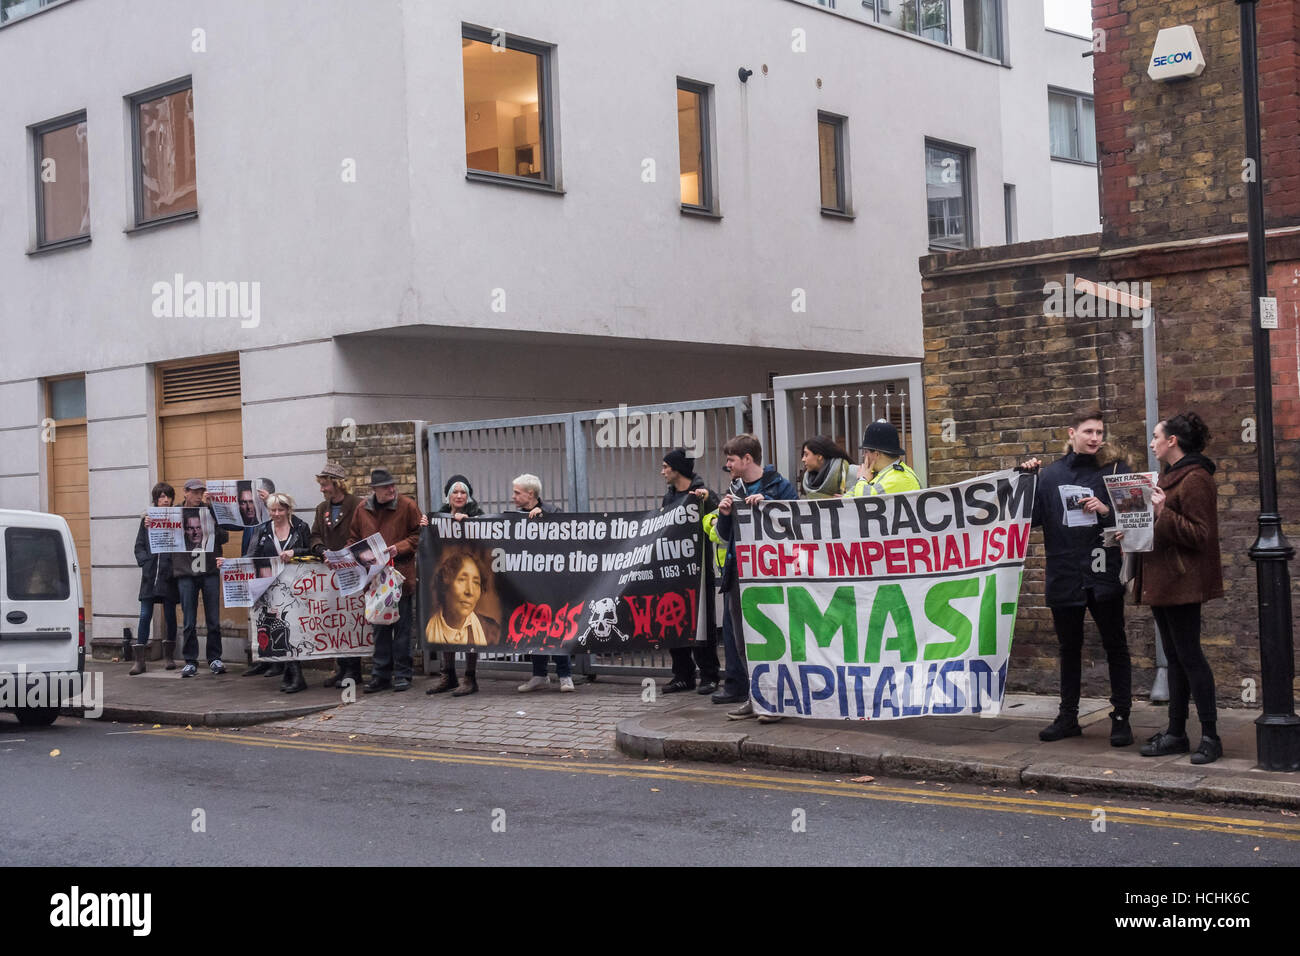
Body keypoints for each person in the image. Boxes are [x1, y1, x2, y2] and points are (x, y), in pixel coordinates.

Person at [1019, 409, 1134, 746]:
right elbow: (1031, 519)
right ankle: (1068, 716)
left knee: (1116, 646)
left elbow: (1135, 519)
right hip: (1065, 573)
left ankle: (1122, 716)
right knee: (1069, 648)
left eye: (1099, 432)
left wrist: (1106, 511)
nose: (1095, 438)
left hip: (1103, 572)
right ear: (1071, 433)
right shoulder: (1050, 475)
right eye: (1088, 431)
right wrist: (1027, 478)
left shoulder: (1115, 472)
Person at [1130, 412, 1225, 765]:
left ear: (1172, 441)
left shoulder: (1196, 479)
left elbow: (1201, 535)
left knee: (1190, 656)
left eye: (1156, 436)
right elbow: (1164, 527)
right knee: (1175, 658)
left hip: (1182, 581)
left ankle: (1211, 737)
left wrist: (1161, 512)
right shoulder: (1170, 477)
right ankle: (1175, 732)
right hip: (1163, 579)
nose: (1152, 442)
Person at [712, 434, 797, 722]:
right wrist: (724, 514)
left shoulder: (779, 485)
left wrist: (770, 503)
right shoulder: (733, 489)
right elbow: (725, 537)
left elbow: (798, 523)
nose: (728, 465)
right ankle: (756, 697)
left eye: (731, 460)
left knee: (775, 638)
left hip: (773, 576)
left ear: (747, 459)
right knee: (744, 642)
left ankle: (780, 701)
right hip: (739, 575)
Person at [347, 468, 421, 693]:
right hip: (375, 579)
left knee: (402, 628)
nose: (392, 489)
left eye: (392, 485)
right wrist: (357, 553)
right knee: (379, 628)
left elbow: (419, 535)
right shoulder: (362, 509)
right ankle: (381, 675)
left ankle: (402, 674)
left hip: (400, 577)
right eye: (386, 486)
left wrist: (397, 548)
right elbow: (353, 537)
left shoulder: (407, 506)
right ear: (374, 490)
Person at [231, 492, 313, 692]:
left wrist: (295, 553)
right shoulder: (262, 530)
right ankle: (291, 674)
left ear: (288, 509)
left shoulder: (300, 527)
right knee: (279, 630)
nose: (276, 514)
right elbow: (251, 557)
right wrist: (228, 565)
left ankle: (296, 675)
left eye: (280, 509)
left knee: (293, 629)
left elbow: (312, 551)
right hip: (270, 588)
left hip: (295, 587)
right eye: (273, 510)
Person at [658, 449, 722, 694]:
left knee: (702, 625)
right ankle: (682, 675)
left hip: (699, 571)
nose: (662, 472)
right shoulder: (669, 497)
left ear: (676, 470)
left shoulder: (702, 494)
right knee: (675, 623)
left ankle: (709, 675)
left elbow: (719, 519)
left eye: (665, 467)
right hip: (674, 571)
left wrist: (708, 500)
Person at [421, 475, 487, 696]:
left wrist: (470, 523)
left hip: (469, 578)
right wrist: (425, 526)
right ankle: (447, 675)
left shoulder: (477, 514)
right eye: (455, 492)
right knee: (444, 624)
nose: (459, 496)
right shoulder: (439, 516)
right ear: (448, 495)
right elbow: (428, 543)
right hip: (449, 580)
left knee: (470, 625)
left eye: (463, 492)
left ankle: (470, 677)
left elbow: (487, 539)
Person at [510, 474, 573, 693]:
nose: (514, 496)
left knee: (556, 626)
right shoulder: (514, 517)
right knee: (533, 627)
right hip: (528, 584)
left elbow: (567, 534)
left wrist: (544, 516)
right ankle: (539, 674)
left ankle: (565, 675)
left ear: (531, 494)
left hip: (552, 583)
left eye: (517, 492)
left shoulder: (553, 512)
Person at [310, 462, 362, 689]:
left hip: (353, 570)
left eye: (325, 485)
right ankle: (341, 668)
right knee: (335, 620)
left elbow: (363, 533)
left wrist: (348, 552)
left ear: (338, 483)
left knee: (351, 618)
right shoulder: (322, 509)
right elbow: (314, 535)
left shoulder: (358, 505)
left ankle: (354, 669)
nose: (322, 489)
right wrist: (321, 550)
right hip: (330, 572)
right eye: (321, 485)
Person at [174, 479, 229, 677]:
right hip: (185, 571)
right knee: (189, 619)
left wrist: (212, 511)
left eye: (201, 492)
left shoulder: (209, 510)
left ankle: (215, 658)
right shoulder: (174, 513)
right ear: (185, 492)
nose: (198, 496)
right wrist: (147, 519)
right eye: (195, 492)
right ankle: (190, 660)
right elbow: (159, 529)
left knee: (213, 618)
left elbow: (224, 537)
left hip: (209, 570)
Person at [129, 482, 180, 675]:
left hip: (169, 576)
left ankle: (169, 656)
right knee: (144, 615)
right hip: (150, 576)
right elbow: (139, 547)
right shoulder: (146, 522)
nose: (165, 500)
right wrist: (146, 563)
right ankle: (139, 660)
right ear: (155, 500)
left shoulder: (177, 519)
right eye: (161, 497)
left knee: (170, 615)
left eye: (168, 496)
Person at [845, 421, 921, 497]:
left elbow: (863, 501)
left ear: (876, 454)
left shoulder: (899, 478)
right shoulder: (882, 474)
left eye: (866, 451)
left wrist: (862, 479)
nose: (863, 455)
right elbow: (848, 497)